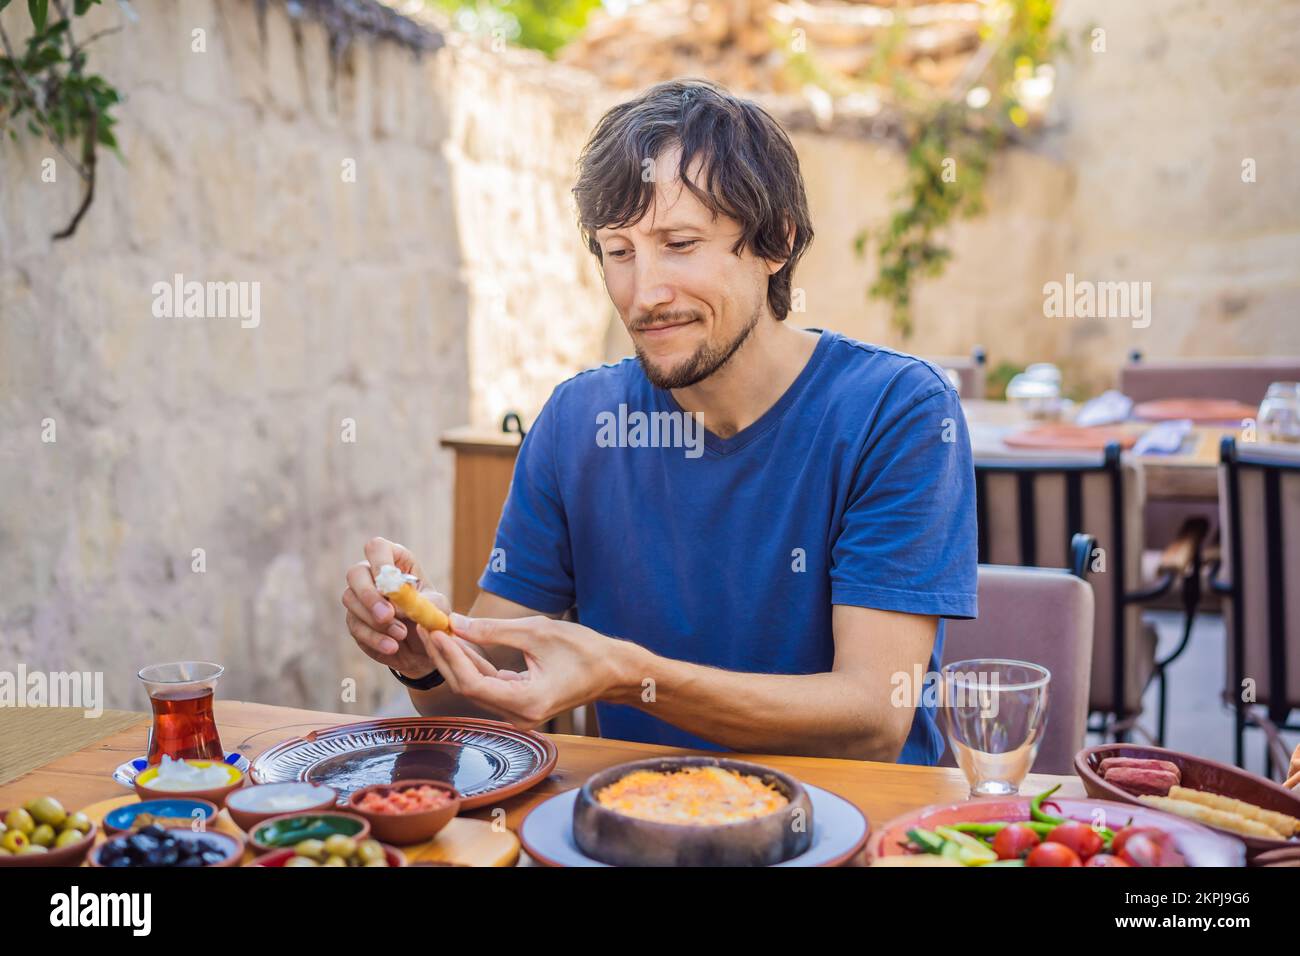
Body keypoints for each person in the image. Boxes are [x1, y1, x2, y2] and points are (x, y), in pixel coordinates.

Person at [342, 78, 977, 764]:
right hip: (637, 823)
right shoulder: (577, 423)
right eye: (619, 252)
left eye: (678, 243)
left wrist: (629, 675)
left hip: (850, 828)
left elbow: (872, 715)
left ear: (775, 244)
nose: (645, 294)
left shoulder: (897, 411)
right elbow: (473, 698)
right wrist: (424, 656)